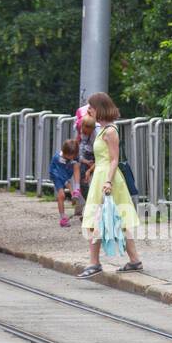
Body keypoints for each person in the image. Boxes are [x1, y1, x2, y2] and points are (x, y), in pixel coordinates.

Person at [77, 91, 143, 277]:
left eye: (91, 107)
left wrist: (107, 181)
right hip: (102, 176)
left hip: (108, 178)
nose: (88, 110)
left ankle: (94, 263)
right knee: (116, 220)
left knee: (96, 219)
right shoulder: (103, 130)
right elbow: (104, 157)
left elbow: (114, 159)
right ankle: (134, 260)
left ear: (100, 108)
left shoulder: (110, 131)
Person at [48, 138, 82, 227]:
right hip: (56, 174)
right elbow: (64, 179)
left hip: (67, 170)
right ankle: (62, 217)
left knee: (76, 165)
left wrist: (74, 193)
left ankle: (77, 189)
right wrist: (71, 192)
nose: (69, 157)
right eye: (67, 156)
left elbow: (78, 162)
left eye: (71, 156)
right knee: (61, 195)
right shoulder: (58, 158)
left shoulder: (75, 156)